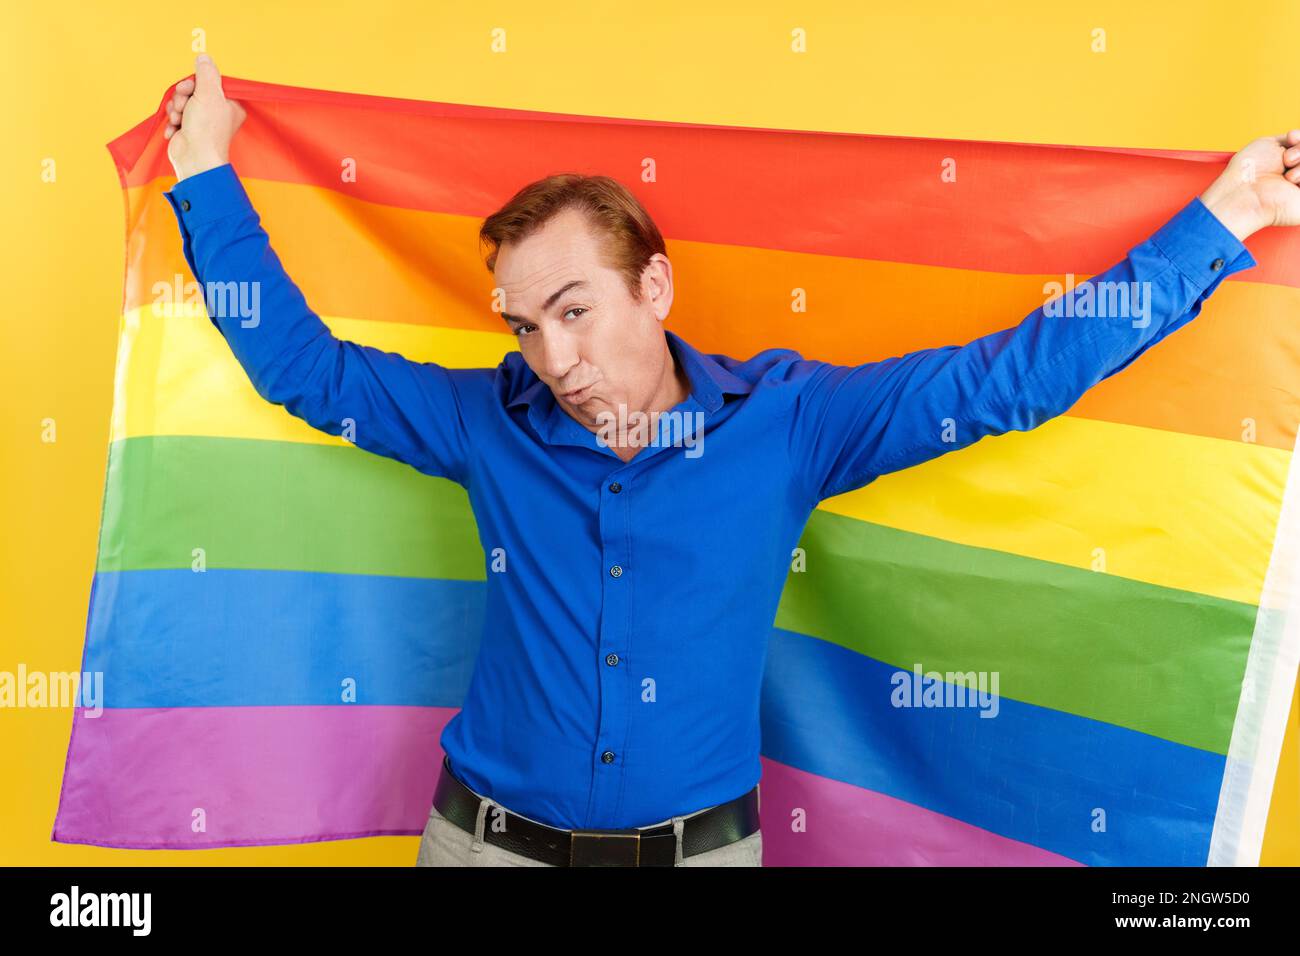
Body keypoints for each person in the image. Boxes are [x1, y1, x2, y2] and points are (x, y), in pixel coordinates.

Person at [163, 53, 1293, 867]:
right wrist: (204, 170)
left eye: (573, 310)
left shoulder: (791, 424)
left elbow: (1010, 379)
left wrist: (1222, 217)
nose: (552, 357)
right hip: (483, 844)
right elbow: (302, 369)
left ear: (653, 287)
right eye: (521, 325)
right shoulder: (482, 422)